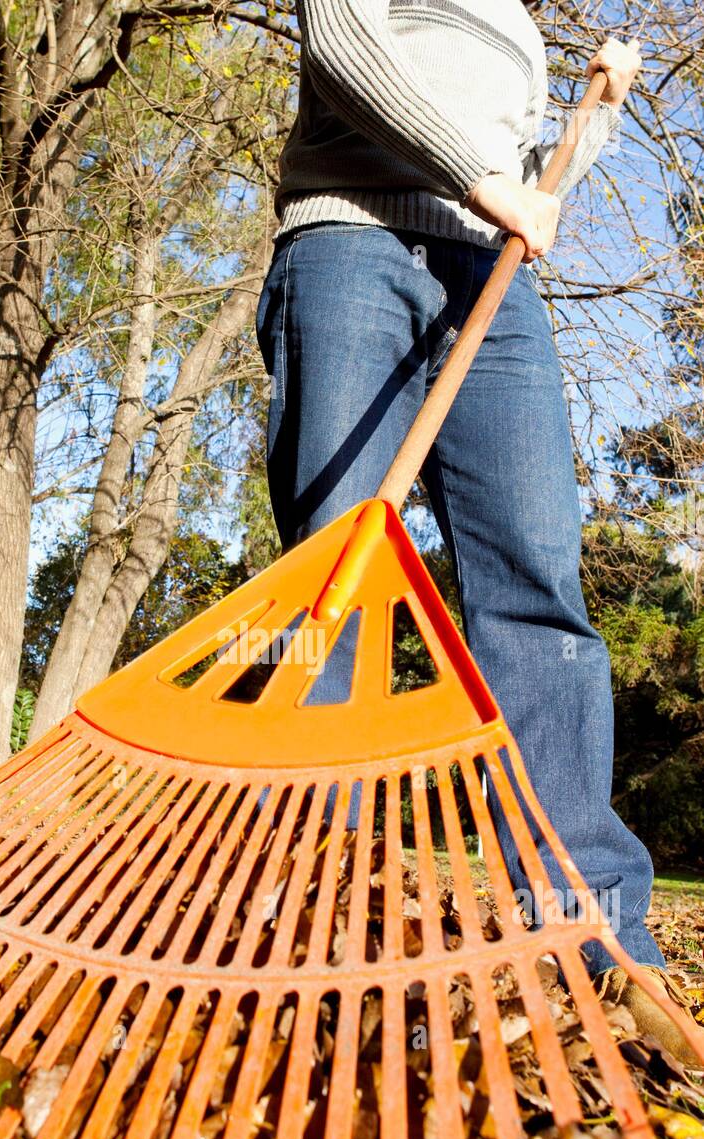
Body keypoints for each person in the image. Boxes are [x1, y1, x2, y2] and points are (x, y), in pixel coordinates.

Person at [255, 0, 703, 1065]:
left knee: (537, 587)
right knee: (335, 575)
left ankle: (589, 918)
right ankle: (311, 899)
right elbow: (345, 46)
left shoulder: (510, 19)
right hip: (350, 243)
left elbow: (523, 180)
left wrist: (589, 124)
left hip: (488, 282)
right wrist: (481, 178)